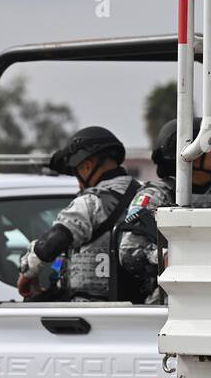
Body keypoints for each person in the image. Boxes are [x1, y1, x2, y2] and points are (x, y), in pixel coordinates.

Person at [16, 127, 140, 302]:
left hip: (91, 313)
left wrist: (28, 272)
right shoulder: (146, 197)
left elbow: (54, 240)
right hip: (141, 309)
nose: (78, 185)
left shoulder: (90, 202)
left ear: (87, 167)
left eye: (76, 175)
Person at [117, 118, 211, 303]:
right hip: (169, 303)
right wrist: (170, 258)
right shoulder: (156, 196)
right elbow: (129, 252)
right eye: (208, 145)